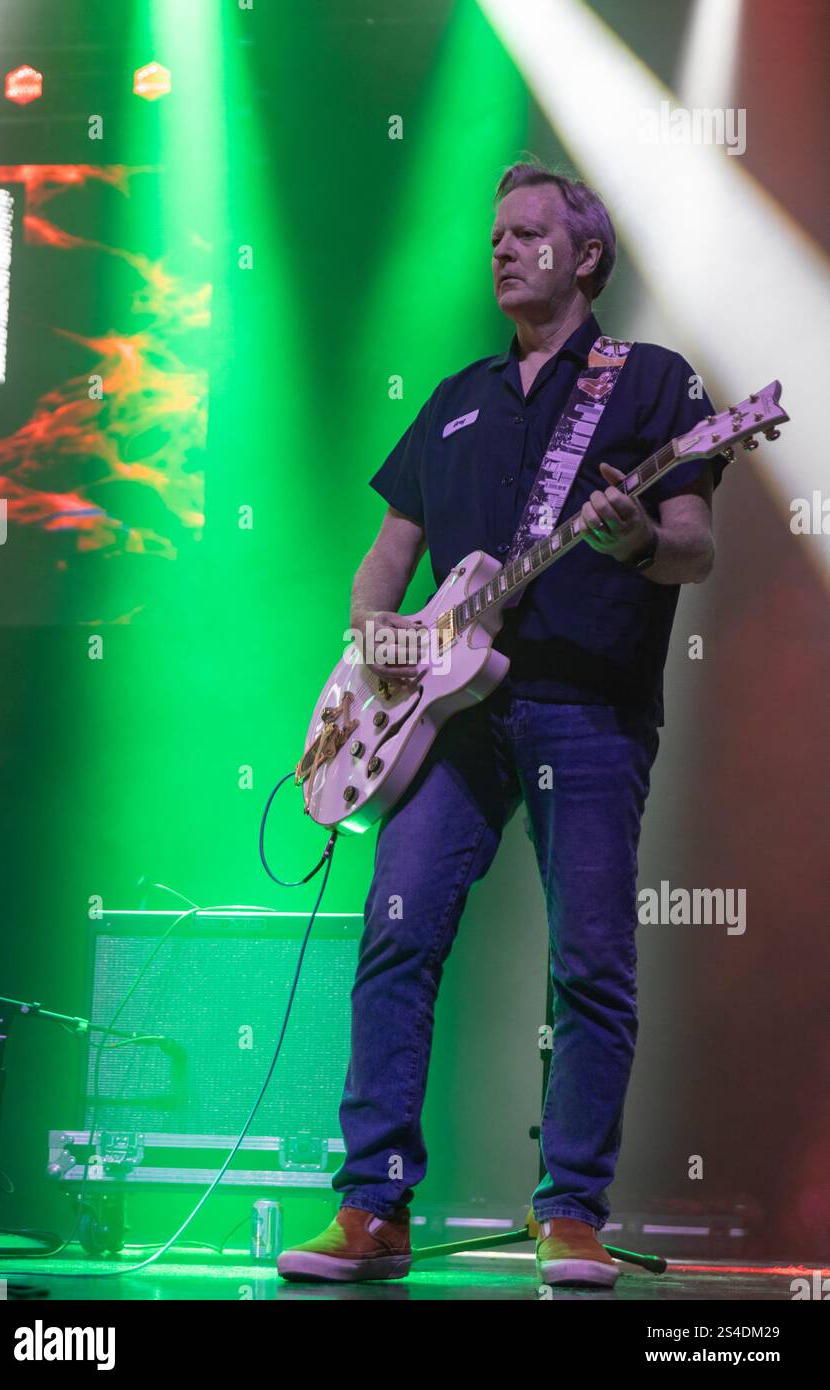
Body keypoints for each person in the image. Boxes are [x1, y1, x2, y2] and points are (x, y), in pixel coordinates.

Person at [278, 159, 728, 1287]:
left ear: (584, 257)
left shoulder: (649, 383)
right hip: (449, 726)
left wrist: (634, 546)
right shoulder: (455, 397)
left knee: (586, 957)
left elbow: (695, 546)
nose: (501, 248)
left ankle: (568, 1209)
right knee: (395, 934)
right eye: (493, 234)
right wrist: (388, 666)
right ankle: (373, 1205)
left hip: (584, 710)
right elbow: (376, 580)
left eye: (528, 232)